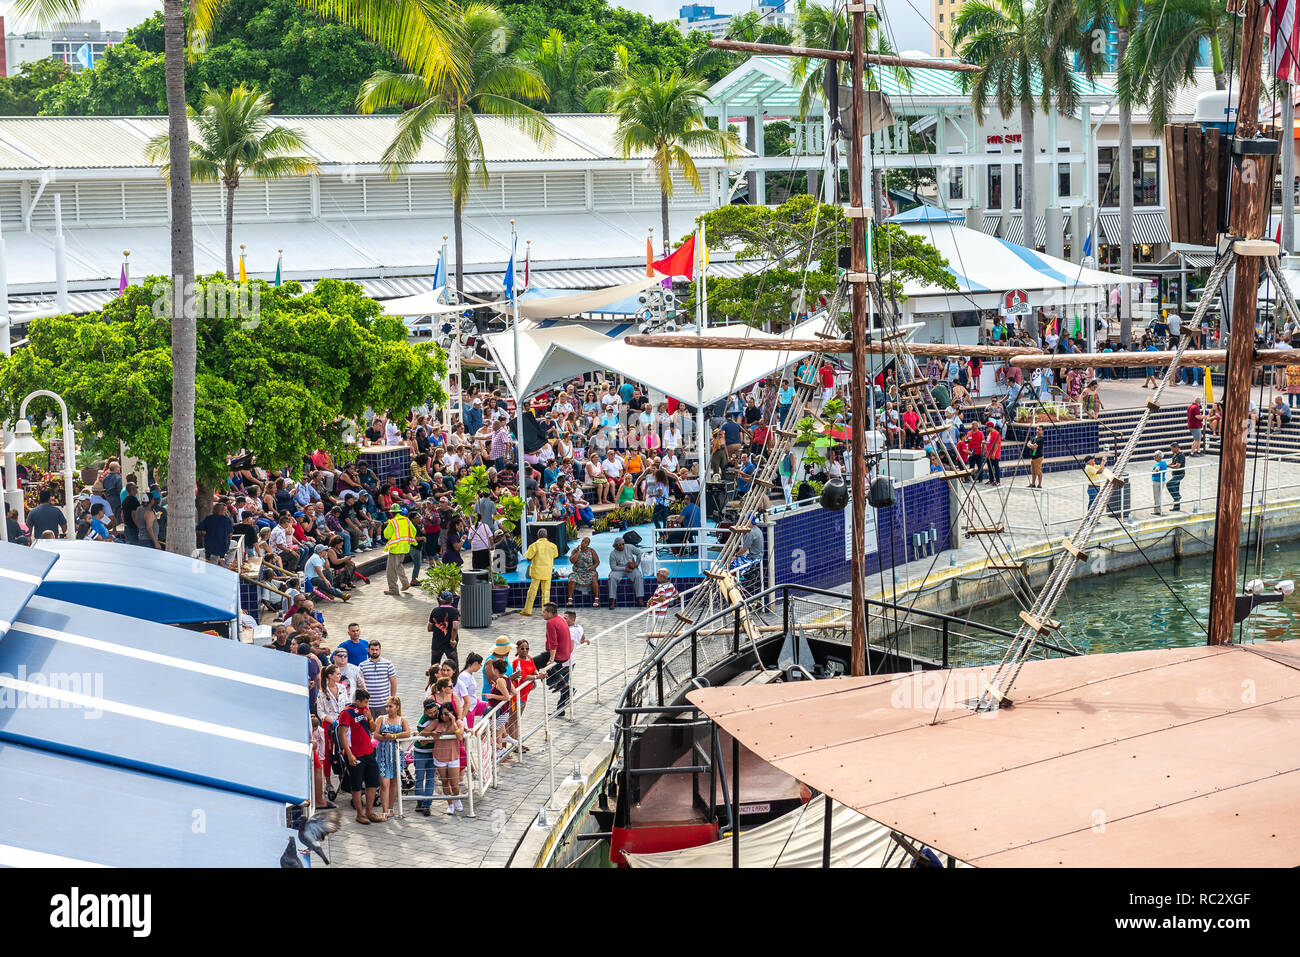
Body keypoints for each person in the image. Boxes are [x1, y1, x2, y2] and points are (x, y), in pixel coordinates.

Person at [337, 689, 383, 825]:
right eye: (365, 702)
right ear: (357, 701)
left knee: (372, 782)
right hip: (355, 754)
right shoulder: (346, 713)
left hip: (368, 752)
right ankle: (359, 814)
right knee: (356, 785)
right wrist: (349, 754)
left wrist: (369, 717)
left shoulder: (365, 710)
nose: (367, 704)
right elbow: (342, 735)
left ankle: (369, 812)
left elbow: (373, 729)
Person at [373, 697, 410, 820]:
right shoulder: (381, 719)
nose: (387, 709)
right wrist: (384, 738)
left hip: (396, 754)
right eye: (387, 706)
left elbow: (407, 733)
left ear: (397, 707)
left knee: (394, 781)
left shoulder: (402, 720)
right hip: (383, 753)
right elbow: (375, 734)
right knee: (384, 783)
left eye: (390, 706)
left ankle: (390, 808)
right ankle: (384, 810)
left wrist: (393, 736)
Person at [541, 602, 573, 718]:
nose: (542, 614)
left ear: (550, 613)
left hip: (558, 656)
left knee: (546, 677)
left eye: (544, 612)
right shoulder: (560, 618)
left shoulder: (550, 622)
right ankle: (561, 710)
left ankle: (569, 689)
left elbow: (553, 643)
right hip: (567, 655)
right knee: (560, 682)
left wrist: (551, 659)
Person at [381, 503, 418, 595]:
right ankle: (405, 583)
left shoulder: (392, 522)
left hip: (395, 548)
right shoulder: (406, 520)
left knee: (391, 570)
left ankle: (393, 589)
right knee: (398, 566)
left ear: (392, 513)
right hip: (405, 547)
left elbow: (386, 535)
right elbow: (414, 531)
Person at [521, 528, 558, 616]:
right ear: (546, 535)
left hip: (537, 571)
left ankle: (528, 610)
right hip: (547, 571)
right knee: (546, 592)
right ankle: (545, 612)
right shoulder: (552, 546)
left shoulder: (534, 545)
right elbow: (555, 555)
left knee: (532, 591)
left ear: (538, 536)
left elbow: (529, 557)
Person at [359, 640, 397, 721]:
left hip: (384, 704)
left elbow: (393, 682)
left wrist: (392, 699)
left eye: (377, 650)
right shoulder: (362, 665)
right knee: (369, 727)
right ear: (368, 650)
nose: (375, 652)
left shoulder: (388, 664)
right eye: (372, 650)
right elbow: (359, 685)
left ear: (380, 650)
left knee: (384, 728)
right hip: (369, 704)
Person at [606, 536, 645, 608]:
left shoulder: (629, 547)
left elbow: (639, 553)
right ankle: (612, 600)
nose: (622, 546)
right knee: (612, 577)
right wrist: (624, 568)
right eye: (619, 545)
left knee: (638, 575)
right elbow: (613, 567)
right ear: (615, 546)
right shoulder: (613, 554)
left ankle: (640, 598)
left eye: (623, 544)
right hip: (619, 569)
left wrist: (636, 564)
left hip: (631, 568)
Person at [428, 589, 460, 670]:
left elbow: (429, 628)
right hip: (450, 644)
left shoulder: (435, 611)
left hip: (437, 642)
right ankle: (454, 681)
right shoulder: (454, 611)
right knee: (454, 667)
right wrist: (452, 640)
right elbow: (455, 627)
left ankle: (434, 681)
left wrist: (437, 629)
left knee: (434, 667)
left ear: (441, 600)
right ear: (452, 600)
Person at [566, 535, 601, 607]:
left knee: (594, 579)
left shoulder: (591, 551)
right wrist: (578, 552)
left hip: (589, 571)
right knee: (572, 579)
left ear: (588, 544)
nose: (584, 543)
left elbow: (597, 562)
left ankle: (596, 599)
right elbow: (572, 561)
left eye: (586, 542)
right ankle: (570, 599)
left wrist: (592, 567)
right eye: (583, 541)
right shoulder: (575, 550)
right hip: (578, 572)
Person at [197, 501, 234, 565]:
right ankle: (226, 563)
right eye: (226, 510)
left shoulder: (208, 518)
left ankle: (216, 564)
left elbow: (198, 530)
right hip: (223, 546)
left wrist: (205, 535)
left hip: (209, 546)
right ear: (224, 511)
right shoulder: (227, 520)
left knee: (214, 556)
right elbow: (230, 535)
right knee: (235, 544)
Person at [1167, 442, 1186, 512]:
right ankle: (1177, 507)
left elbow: (1177, 466)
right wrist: (1165, 465)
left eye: (1172, 449)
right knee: (1176, 488)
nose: (1171, 450)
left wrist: (1167, 466)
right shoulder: (1175, 455)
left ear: (1176, 448)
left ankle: (1177, 496)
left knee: (1169, 484)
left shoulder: (1180, 455)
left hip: (1180, 474)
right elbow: (1173, 463)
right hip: (1175, 474)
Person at [983, 422, 1002, 487]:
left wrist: (994, 453)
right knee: (990, 468)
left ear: (990, 427)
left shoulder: (996, 433)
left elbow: (997, 444)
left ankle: (997, 481)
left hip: (994, 455)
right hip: (989, 454)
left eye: (987, 427)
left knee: (996, 468)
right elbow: (989, 443)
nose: (986, 429)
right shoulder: (990, 433)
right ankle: (991, 480)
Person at [1150, 449, 1168, 516]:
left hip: (1157, 481)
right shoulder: (1164, 463)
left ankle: (1157, 510)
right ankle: (1158, 509)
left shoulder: (1159, 464)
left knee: (1156, 496)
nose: (1153, 457)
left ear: (1158, 457)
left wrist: (1153, 471)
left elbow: (1156, 470)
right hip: (1162, 480)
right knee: (1159, 495)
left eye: (1154, 456)